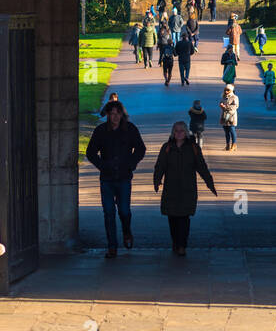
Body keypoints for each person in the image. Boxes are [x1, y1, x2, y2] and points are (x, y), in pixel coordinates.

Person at [85, 99, 146, 258]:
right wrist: (102, 165)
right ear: (107, 115)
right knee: (109, 212)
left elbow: (140, 148)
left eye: (117, 113)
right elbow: (90, 152)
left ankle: (126, 231)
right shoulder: (100, 131)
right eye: (112, 114)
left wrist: (131, 163)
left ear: (121, 114)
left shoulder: (130, 129)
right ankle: (112, 245)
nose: (115, 117)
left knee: (124, 211)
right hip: (107, 178)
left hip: (124, 177)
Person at [153, 120, 217, 256]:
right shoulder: (167, 147)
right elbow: (160, 166)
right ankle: (176, 242)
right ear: (173, 133)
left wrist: (209, 183)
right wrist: (157, 181)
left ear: (186, 132)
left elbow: (202, 167)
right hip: (171, 189)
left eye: (182, 130)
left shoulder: (193, 148)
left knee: (184, 218)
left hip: (188, 189)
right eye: (176, 131)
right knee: (172, 218)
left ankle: (182, 245)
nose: (179, 133)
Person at [219, 85, 239, 150]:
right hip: (224, 116)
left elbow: (234, 107)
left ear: (231, 90)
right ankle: (227, 145)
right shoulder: (223, 97)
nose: (226, 91)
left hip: (231, 116)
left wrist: (225, 107)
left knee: (232, 130)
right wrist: (221, 105)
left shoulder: (234, 97)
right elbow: (221, 103)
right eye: (225, 90)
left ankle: (234, 144)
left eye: (228, 90)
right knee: (226, 132)